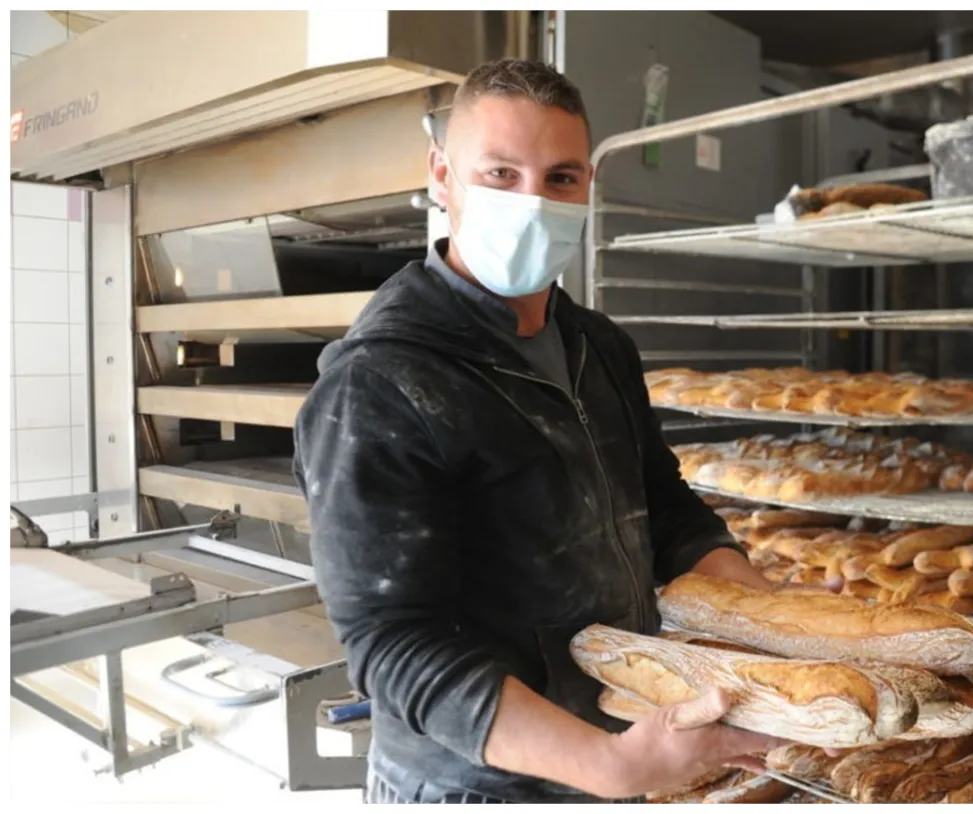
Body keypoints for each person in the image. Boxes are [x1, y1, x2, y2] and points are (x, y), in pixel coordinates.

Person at [293, 58, 784, 805]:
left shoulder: (599, 346)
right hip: (477, 782)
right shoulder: (381, 381)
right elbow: (393, 643)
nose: (532, 202)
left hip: (616, 732)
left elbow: (663, 506)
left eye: (560, 179)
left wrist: (772, 625)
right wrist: (608, 767)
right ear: (441, 175)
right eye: (500, 174)